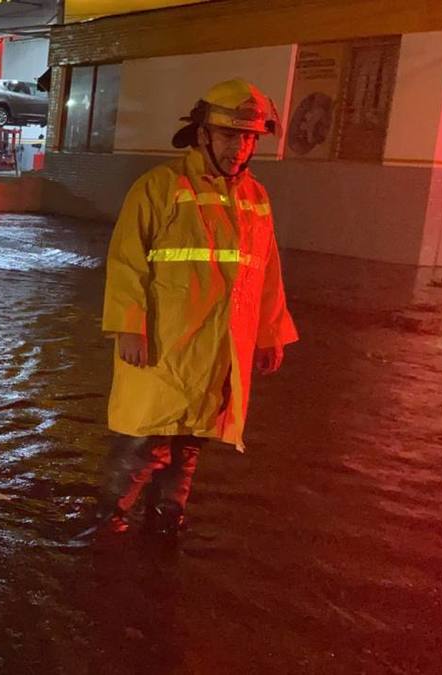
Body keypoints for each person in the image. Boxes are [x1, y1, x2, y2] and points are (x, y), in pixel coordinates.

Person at [100, 78, 299, 535]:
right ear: (203, 134)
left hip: (214, 350)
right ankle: (108, 524)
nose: (241, 148)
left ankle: (167, 520)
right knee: (146, 442)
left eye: (249, 137)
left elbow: (266, 273)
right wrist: (129, 327)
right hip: (162, 347)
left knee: (190, 441)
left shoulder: (255, 199)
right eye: (231, 135)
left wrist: (269, 335)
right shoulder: (159, 187)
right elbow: (127, 261)